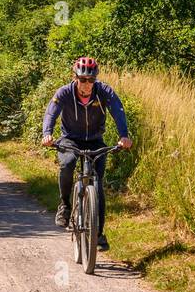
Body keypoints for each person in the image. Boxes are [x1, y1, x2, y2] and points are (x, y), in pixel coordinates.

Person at [40, 57, 133, 250]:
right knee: (67, 164)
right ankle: (65, 205)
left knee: (97, 186)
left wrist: (124, 135)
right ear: (75, 78)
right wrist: (47, 134)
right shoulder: (64, 92)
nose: (87, 84)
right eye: (83, 79)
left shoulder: (104, 91)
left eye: (91, 80)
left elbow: (118, 110)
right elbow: (51, 113)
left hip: (95, 141)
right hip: (70, 139)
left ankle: (98, 234)